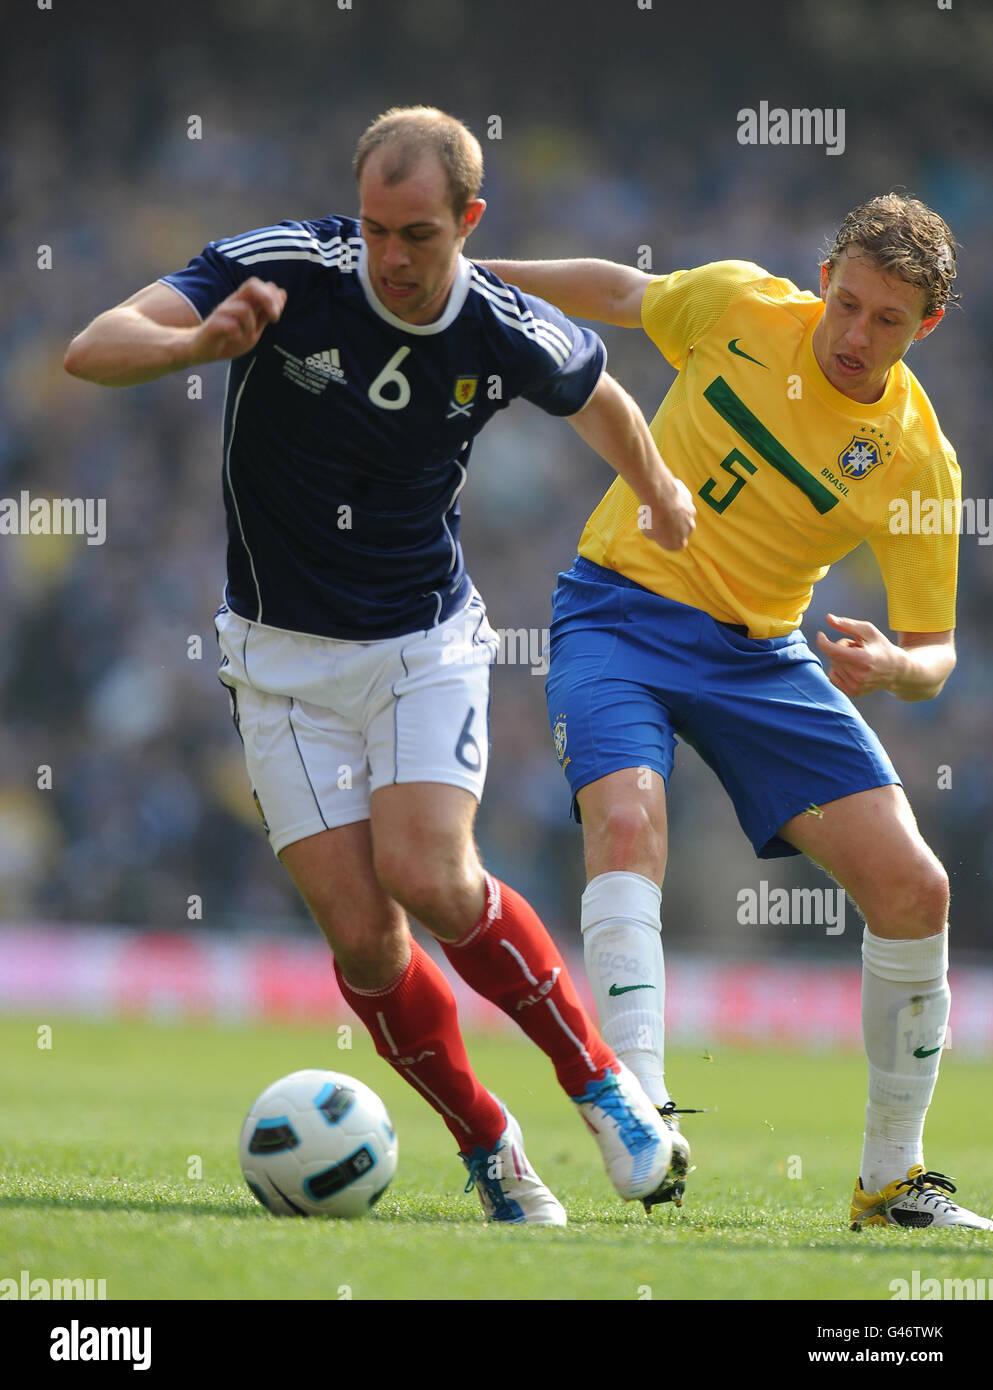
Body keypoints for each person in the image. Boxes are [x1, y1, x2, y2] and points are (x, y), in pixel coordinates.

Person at [63, 106, 698, 1225]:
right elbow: (95, 344)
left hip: (422, 641)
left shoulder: (501, 326)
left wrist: (658, 489)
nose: (391, 260)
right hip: (276, 661)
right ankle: (490, 1146)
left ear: (470, 221)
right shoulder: (285, 269)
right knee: (363, 935)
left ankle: (605, 1088)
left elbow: (598, 394)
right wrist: (196, 346)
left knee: (432, 876)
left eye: (417, 234)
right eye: (374, 229)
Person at [481, 192, 993, 1229]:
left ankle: (891, 1181)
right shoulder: (738, 308)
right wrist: (479, 277)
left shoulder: (916, 460)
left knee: (915, 889)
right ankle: (639, 1106)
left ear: (926, 326)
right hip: (620, 612)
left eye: (886, 321)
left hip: (765, 657)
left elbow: (938, 653)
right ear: (822, 281)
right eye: (845, 303)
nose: (855, 335)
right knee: (628, 821)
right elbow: (620, 293)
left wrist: (899, 663)